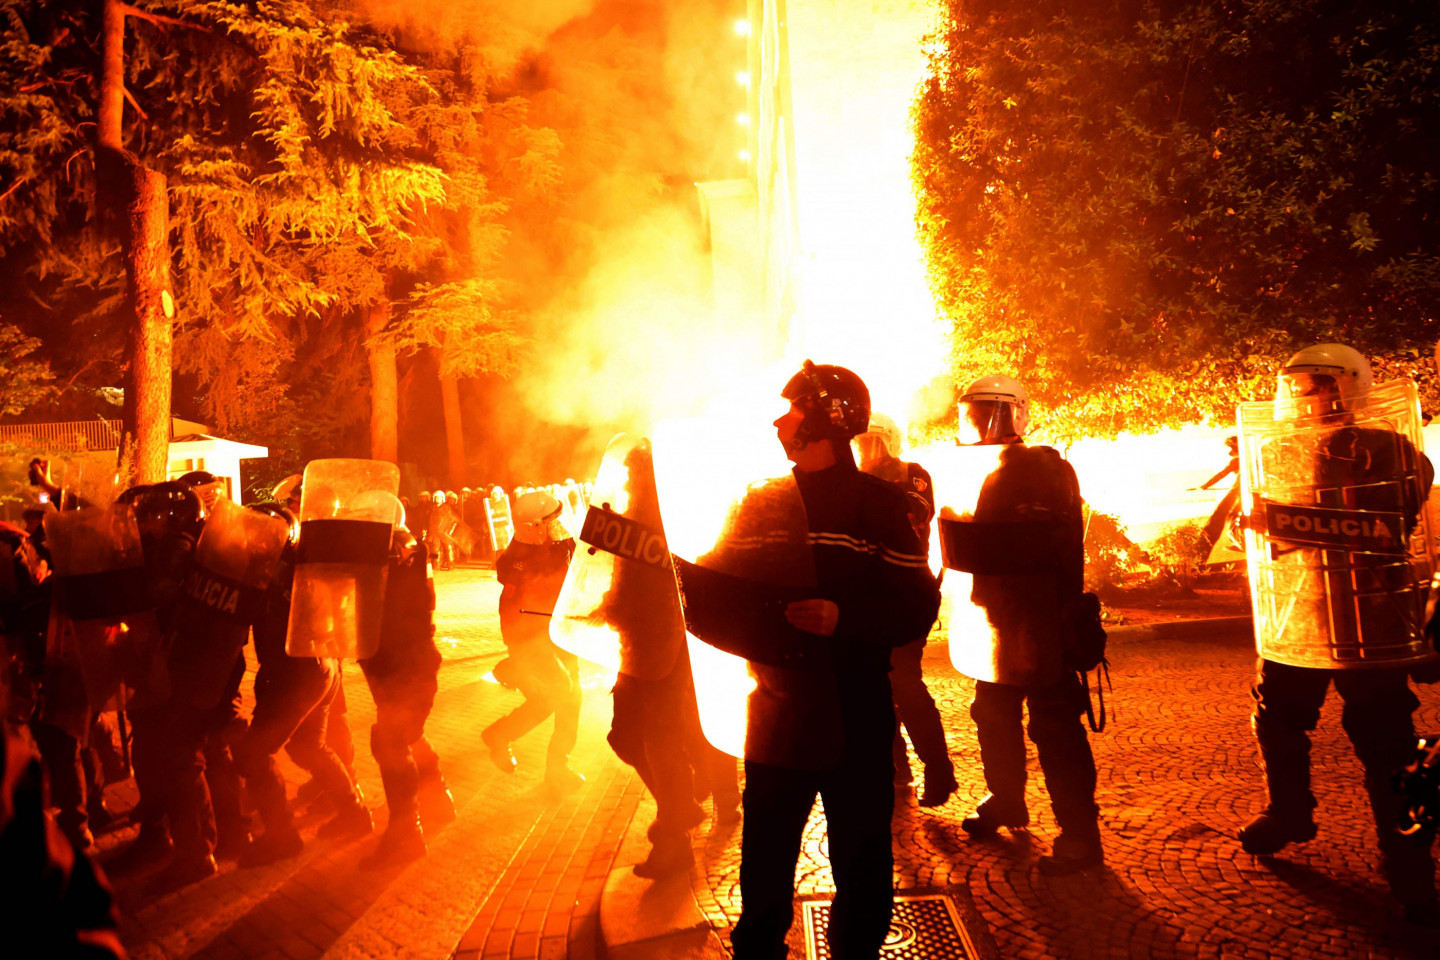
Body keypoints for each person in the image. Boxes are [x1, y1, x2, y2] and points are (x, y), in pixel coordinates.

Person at [719, 362, 941, 960]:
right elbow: (721, 587)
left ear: (826, 419)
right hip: (776, 709)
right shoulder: (761, 501)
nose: (778, 420)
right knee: (764, 857)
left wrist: (846, 620)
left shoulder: (880, 505)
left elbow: (916, 606)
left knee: (863, 858)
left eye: (792, 410)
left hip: (855, 711)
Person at [1236, 343, 1440, 925]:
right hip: (1296, 613)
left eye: (1312, 386)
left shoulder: (1394, 450)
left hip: (1371, 618)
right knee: (1276, 717)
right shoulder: (1272, 453)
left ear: (1346, 388)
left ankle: (1410, 868)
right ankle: (1288, 812)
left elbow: (1398, 518)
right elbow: (1257, 525)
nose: (1297, 398)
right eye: (1292, 388)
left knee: (1390, 748)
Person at [952, 374, 1102, 875]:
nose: (975, 422)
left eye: (985, 412)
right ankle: (1006, 800)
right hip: (996, 621)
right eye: (971, 412)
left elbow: (1037, 543)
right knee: (991, 714)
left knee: (1055, 727)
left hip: (1043, 623)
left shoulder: (1040, 466)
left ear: (1016, 413)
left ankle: (1081, 833)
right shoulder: (986, 468)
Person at [233, 502, 373, 867]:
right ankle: (355, 812)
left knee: (253, 753)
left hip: (295, 674)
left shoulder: (273, 574)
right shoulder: (303, 565)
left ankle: (282, 836)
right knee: (310, 746)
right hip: (321, 668)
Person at [854, 412, 956, 807]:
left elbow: (915, 514)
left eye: (869, 442)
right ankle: (897, 771)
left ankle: (938, 768)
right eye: (859, 443)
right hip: (868, 598)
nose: (862, 449)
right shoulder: (855, 482)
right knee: (875, 686)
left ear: (888, 441)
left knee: (904, 681)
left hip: (906, 594)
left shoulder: (913, 474)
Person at [357, 520, 455, 869]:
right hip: (402, 666)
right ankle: (438, 798)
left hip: (404, 668)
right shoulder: (411, 554)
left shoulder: (397, 563)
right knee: (409, 735)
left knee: (390, 743)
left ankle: (406, 835)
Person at [482, 492, 584, 795]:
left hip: (562, 634)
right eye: (552, 522)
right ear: (534, 527)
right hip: (535, 640)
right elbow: (515, 618)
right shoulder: (519, 562)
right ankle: (499, 734)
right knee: (555, 694)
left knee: (571, 698)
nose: (558, 526)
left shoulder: (559, 545)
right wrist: (525, 655)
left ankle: (558, 767)